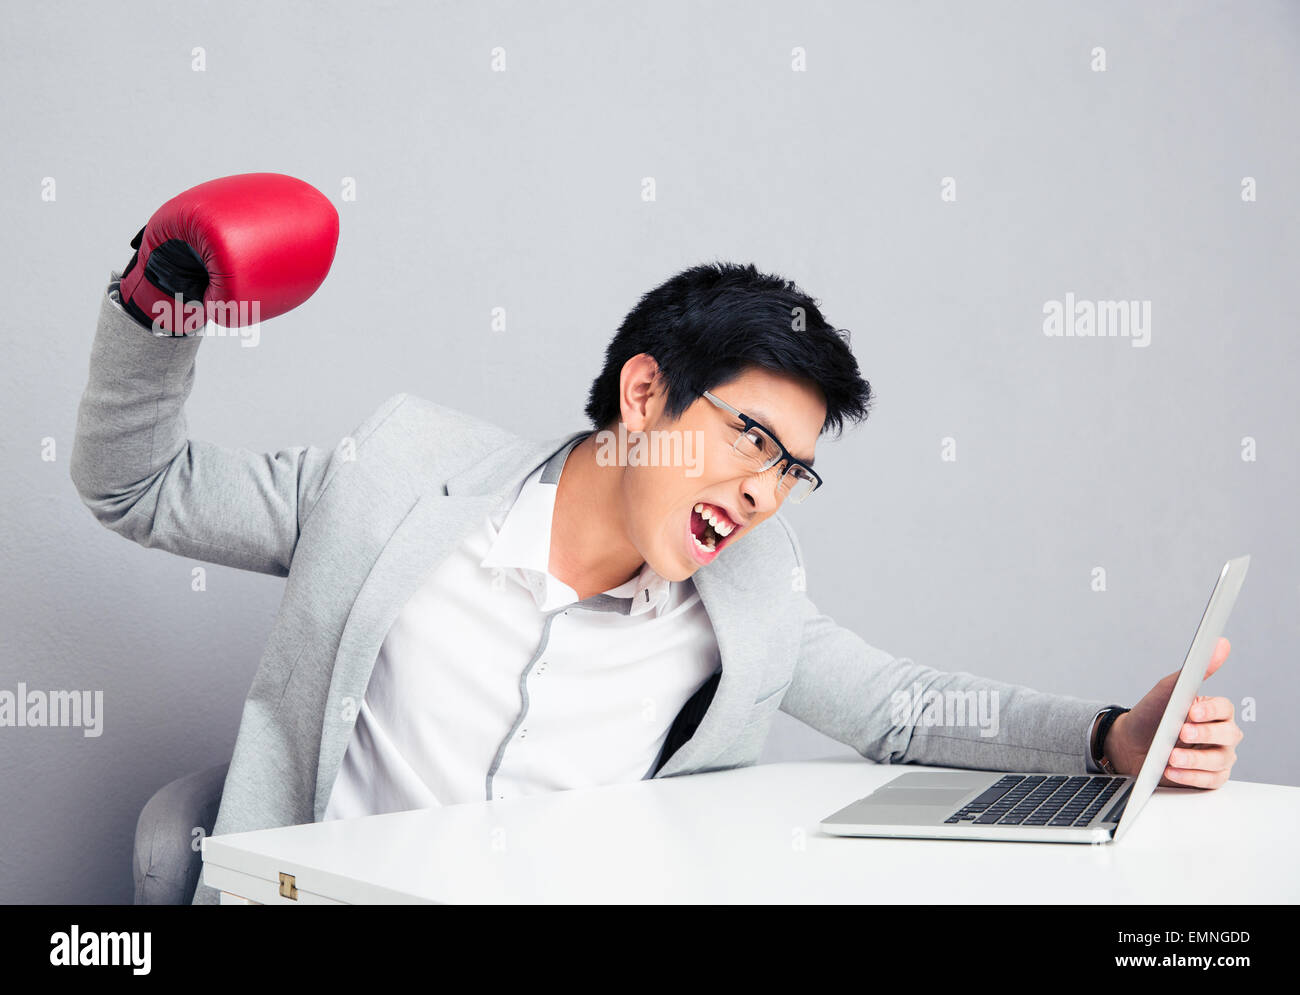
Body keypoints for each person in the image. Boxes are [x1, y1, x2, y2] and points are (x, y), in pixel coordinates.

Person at [70, 175, 1242, 905]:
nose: (765, 491)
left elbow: (901, 705)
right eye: (747, 438)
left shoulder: (747, 594)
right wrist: (157, 307)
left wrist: (1110, 734)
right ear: (643, 394)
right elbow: (136, 487)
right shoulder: (393, 476)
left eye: (793, 467)